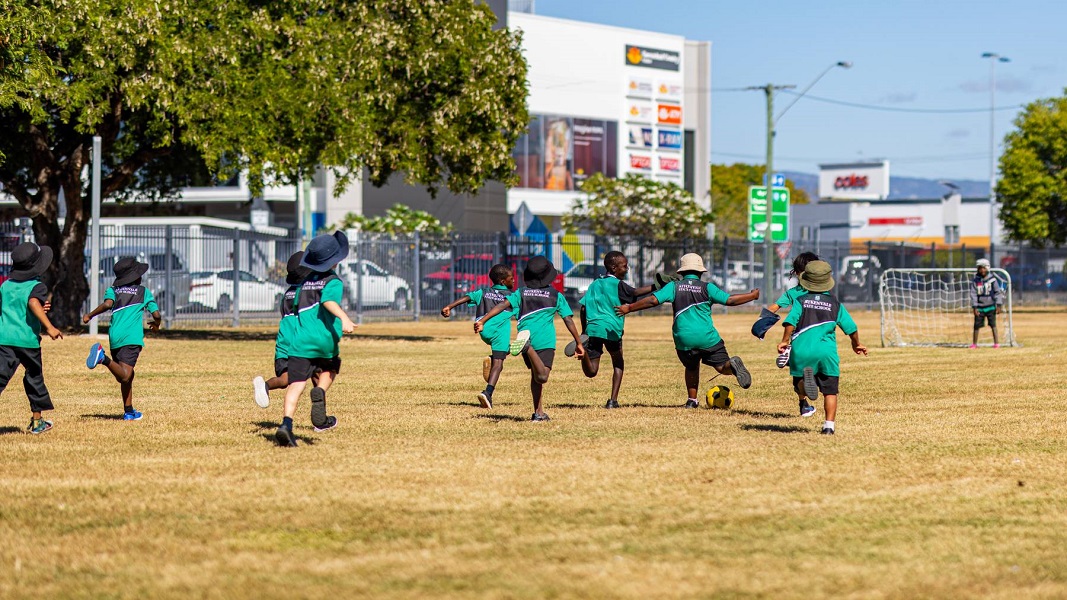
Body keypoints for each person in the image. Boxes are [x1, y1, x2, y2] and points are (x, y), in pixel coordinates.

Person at [616, 253, 758, 408]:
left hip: (684, 339)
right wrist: (752, 295)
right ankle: (731, 365)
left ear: (681, 272)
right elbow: (729, 300)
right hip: (707, 337)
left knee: (691, 366)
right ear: (701, 272)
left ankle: (692, 400)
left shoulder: (674, 286)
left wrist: (629, 307)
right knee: (721, 367)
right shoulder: (707, 287)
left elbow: (652, 300)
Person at [475, 256, 584, 422]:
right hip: (544, 341)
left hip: (524, 335)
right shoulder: (555, 295)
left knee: (535, 376)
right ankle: (528, 348)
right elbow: (568, 319)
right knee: (542, 376)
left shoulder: (521, 292)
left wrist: (482, 320)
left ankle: (538, 413)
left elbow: (502, 305)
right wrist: (578, 342)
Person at [275, 232, 357, 447]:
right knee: (330, 368)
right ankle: (320, 390)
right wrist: (344, 317)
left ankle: (286, 424)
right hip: (323, 340)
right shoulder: (332, 281)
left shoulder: (302, 284)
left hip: (299, 342)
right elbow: (329, 301)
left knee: (296, 384)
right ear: (335, 261)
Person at [776, 260, 868, 435]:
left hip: (802, 351)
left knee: (799, 384)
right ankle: (828, 427)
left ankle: (804, 382)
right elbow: (851, 327)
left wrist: (784, 341)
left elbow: (790, 321)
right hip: (827, 353)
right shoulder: (835, 304)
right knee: (830, 392)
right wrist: (856, 344)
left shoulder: (801, 301)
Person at [566, 251, 653, 408]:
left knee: (591, 371)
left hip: (593, 329)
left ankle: (583, 353)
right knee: (618, 362)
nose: (627, 269)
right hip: (611, 329)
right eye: (624, 266)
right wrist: (655, 286)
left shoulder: (594, 284)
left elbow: (584, 309)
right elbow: (634, 293)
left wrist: (585, 332)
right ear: (614, 268)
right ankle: (613, 401)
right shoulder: (617, 284)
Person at [83, 257, 163, 420]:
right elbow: (156, 314)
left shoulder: (113, 290)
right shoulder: (143, 292)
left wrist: (90, 315)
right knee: (125, 375)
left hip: (115, 337)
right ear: (137, 277)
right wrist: (156, 324)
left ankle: (129, 411)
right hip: (131, 338)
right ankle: (102, 358)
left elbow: (106, 305)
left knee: (127, 376)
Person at [0, 242, 63, 434]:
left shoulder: (5, 285)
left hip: (4, 340)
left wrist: (36, 309)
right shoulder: (37, 286)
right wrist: (50, 327)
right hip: (27, 341)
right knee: (34, 378)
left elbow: (14, 306)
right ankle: (37, 423)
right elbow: (33, 302)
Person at [751, 251, 820, 416]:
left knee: (799, 378)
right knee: (815, 371)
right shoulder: (822, 292)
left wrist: (761, 324)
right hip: (817, 336)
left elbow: (774, 307)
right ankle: (805, 402)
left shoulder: (793, 292)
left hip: (796, 337)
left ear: (797, 273)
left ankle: (803, 405)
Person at [440, 264, 515, 409]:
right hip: (498, 330)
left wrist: (449, 306)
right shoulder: (512, 296)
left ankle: (496, 357)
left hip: (483, 330)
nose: (514, 281)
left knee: (502, 352)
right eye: (511, 279)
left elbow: (467, 297)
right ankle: (488, 393)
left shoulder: (484, 291)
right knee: (499, 363)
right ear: (503, 282)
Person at [253, 250, 310, 409]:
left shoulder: (288, 293)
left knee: (285, 380)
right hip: (295, 345)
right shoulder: (304, 293)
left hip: (283, 346)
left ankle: (265, 386)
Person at [971, 258, 1003, 348]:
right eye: (980, 268)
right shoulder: (975, 281)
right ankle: (974, 344)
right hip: (980, 307)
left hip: (991, 306)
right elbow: (973, 294)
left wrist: (998, 304)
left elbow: (997, 292)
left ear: (988, 268)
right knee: (976, 326)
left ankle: (996, 343)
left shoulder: (993, 280)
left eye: (984, 268)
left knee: (993, 325)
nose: (982, 270)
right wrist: (975, 307)